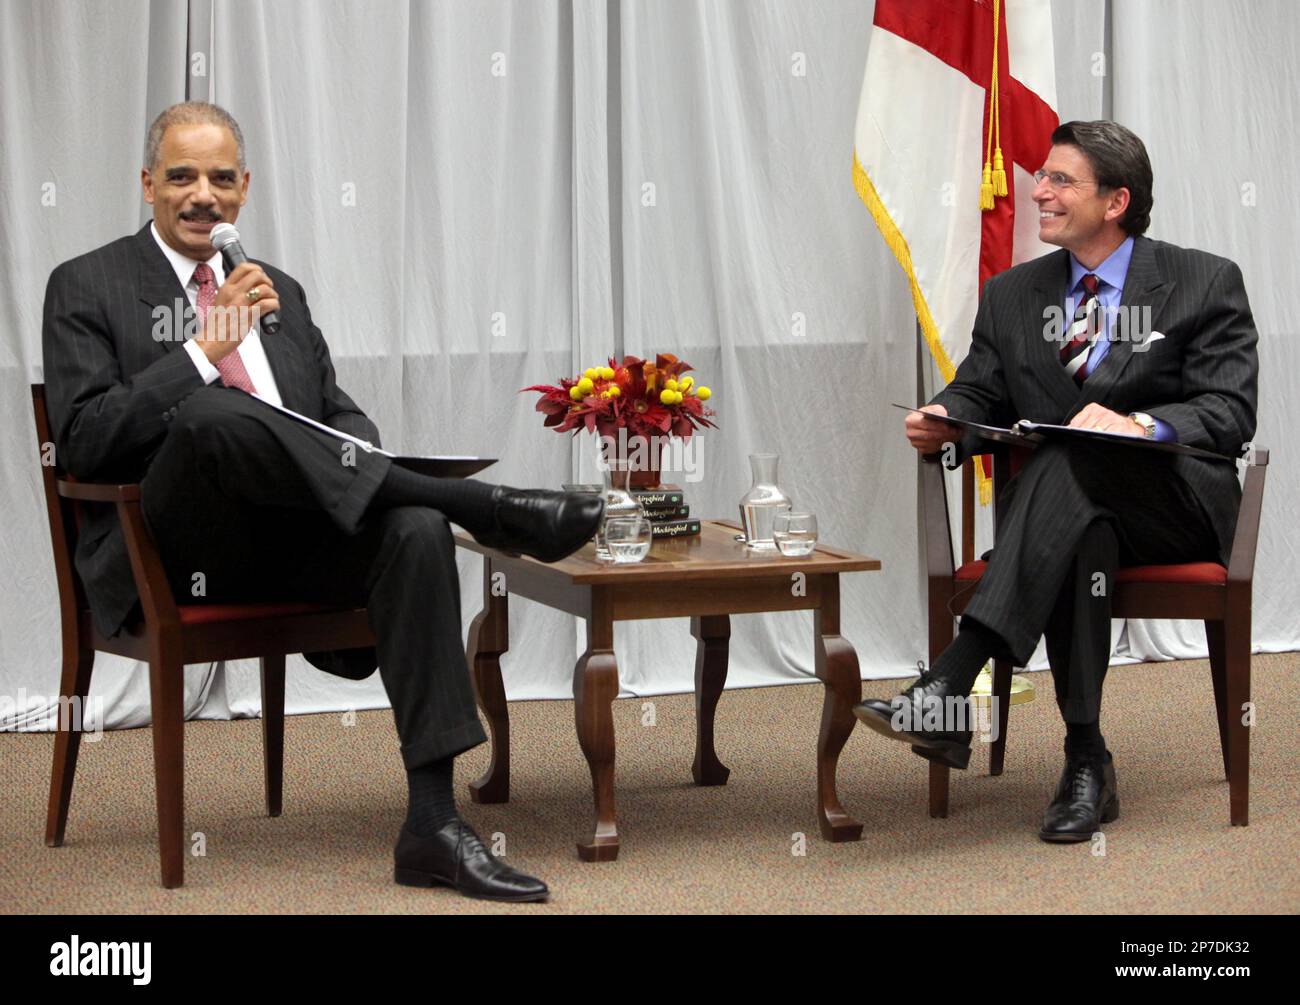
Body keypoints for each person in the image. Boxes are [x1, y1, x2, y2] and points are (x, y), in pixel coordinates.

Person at [41, 101, 604, 901]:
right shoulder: (87, 285)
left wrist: (366, 447)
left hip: (297, 538)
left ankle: (433, 824)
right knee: (206, 414)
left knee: (412, 525)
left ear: (245, 188)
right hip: (172, 555)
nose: (204, 195)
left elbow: (336, 416)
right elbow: (85, 440)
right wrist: (206, 351)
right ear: (146, 184)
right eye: (181, 176)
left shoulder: (281, 293)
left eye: (222, 178)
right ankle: (481, 505)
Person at [853, 120, 1258, 842]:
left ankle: (950, 682)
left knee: (1072, 460)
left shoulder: (1203, 279)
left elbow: (1228, 409)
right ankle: (1085, 759)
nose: (1037, 190)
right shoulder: (1013, 294)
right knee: (1081, 519)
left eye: (1059, 179)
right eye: (1042, 176)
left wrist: (1141, 425)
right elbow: (979, 391)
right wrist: (944, 414)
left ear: (1115, 201)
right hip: (1070, 518)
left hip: (1173, 506)